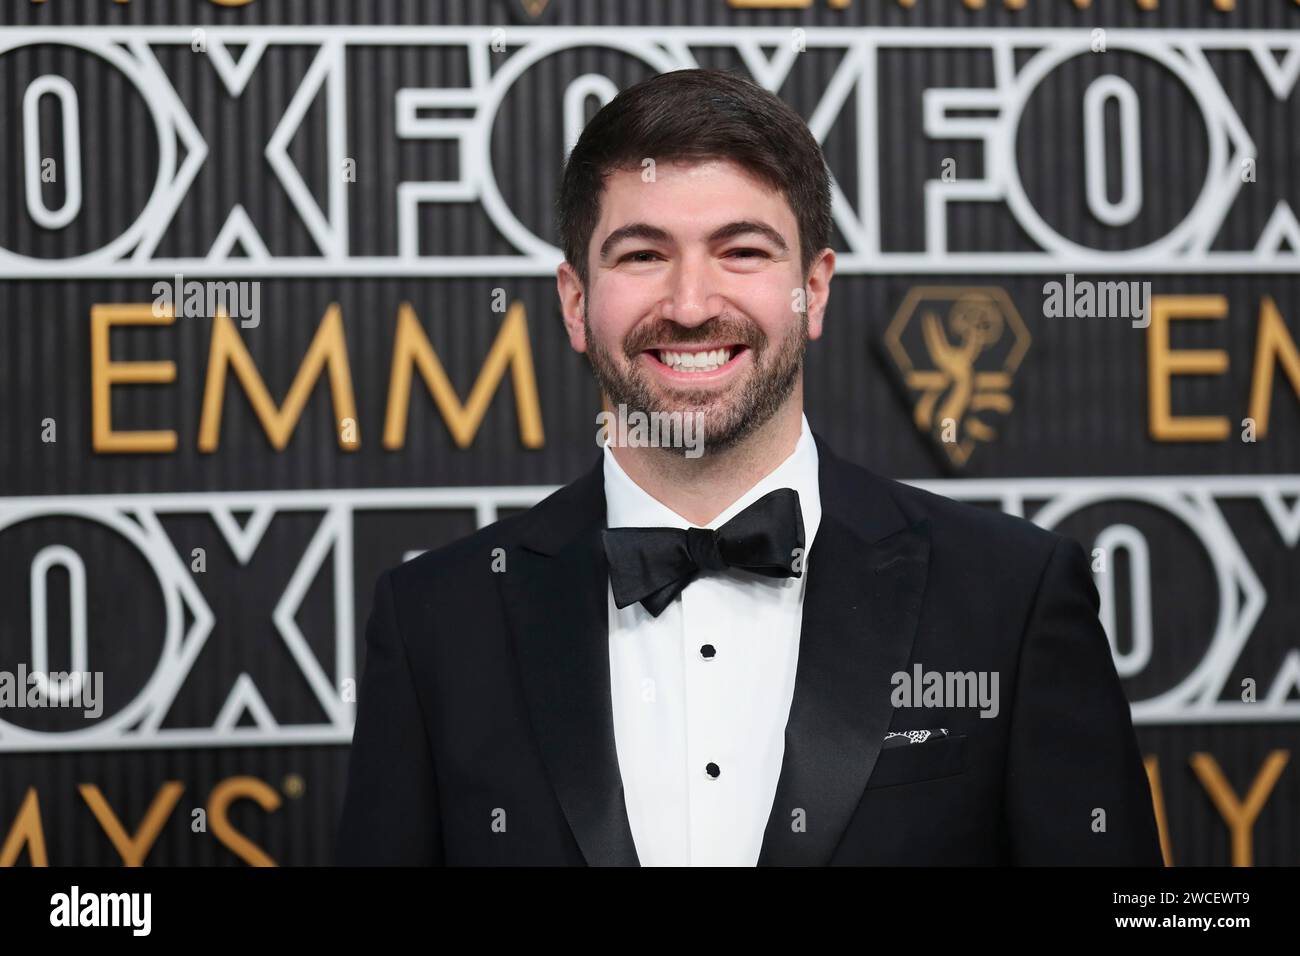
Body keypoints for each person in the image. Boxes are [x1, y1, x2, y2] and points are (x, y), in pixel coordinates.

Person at [335, 68, 1162, 866]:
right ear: (576, 302)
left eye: (741, 251)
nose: (692, 306)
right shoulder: (436, 622)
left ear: (815, 288)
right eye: (642, 256)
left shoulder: (1012, 596)